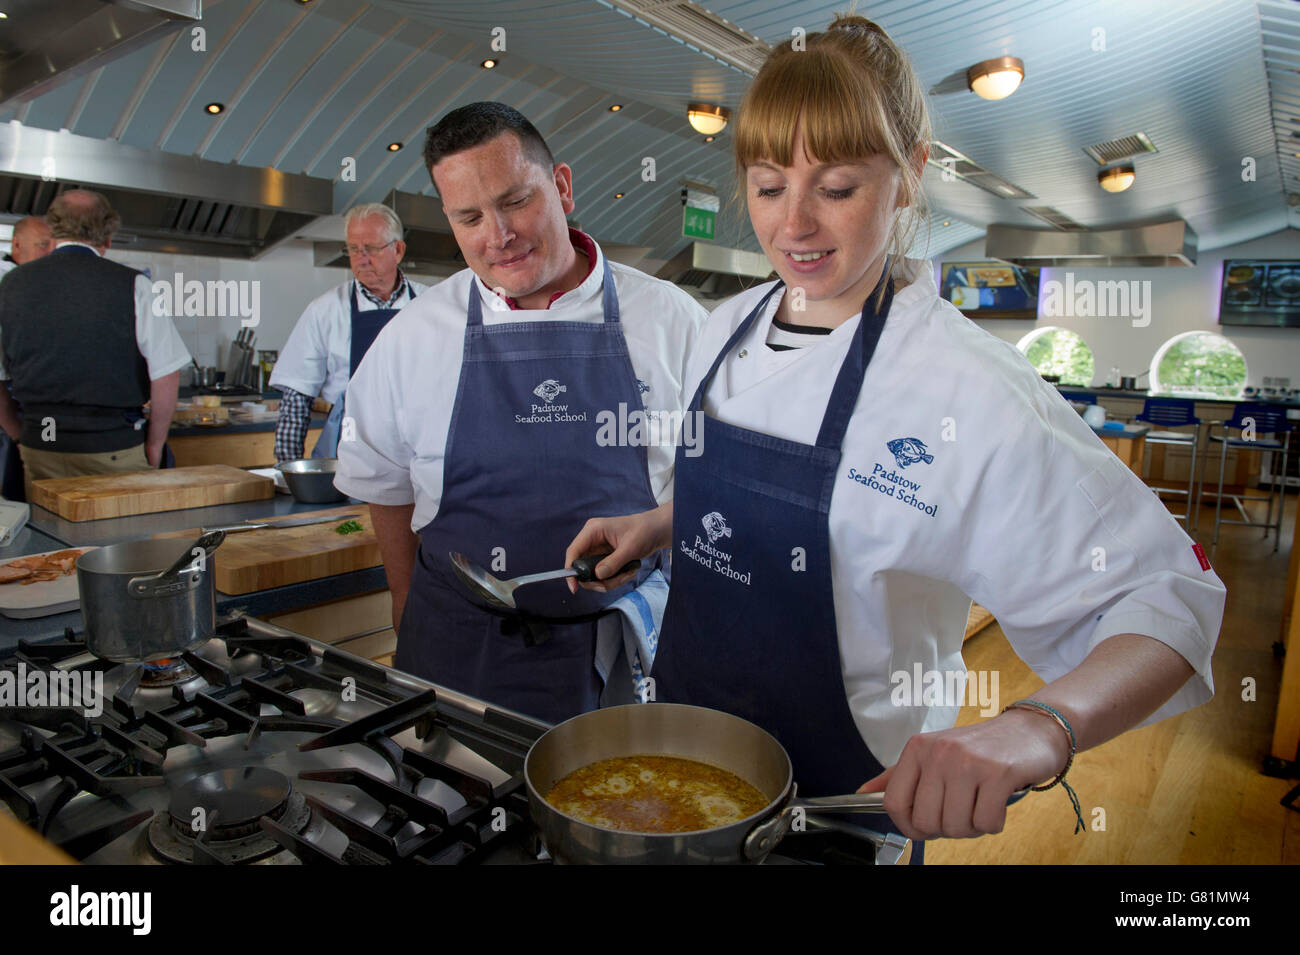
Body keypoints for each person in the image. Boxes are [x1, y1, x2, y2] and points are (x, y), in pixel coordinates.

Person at [565, 15, 1224, 857]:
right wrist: (662, 522)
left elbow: (1169, 598)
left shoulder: (968, 387)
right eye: (768, 188)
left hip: (840, 812)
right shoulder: (723, 326)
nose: (795, 226)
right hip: (677, 777)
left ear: (910, 176)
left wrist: (1039, 723)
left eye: (836, 188)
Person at [335, 102, 708, 724]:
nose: (497, 235)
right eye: (469, 217)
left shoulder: (672, 323)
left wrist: (665, 526)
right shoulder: (414, 335)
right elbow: (385, 487)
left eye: (516, 201)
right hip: (454, 644)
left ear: (561, 187)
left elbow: (721, 488)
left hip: (614, 648)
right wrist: (406, 614)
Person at [0, 191, 190, 488]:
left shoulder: (10, 285)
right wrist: (154, 446)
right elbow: (166, 373)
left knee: (48, 532)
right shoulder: (135, 285)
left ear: (53, 228)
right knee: (119, 533)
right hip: (111, 443)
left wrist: (20, 436)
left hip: (43, 439)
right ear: (108, 236)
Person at [269, 203, 427, 461]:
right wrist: (288, 468)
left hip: (418, 447)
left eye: (371, 249)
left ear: (397, 250)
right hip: (349, 449)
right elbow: (296, 397)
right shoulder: (325, 310)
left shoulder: (430, 305)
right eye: (353, 249)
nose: (361, 259)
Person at [0, 216, 53, 499]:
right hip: (12, 417)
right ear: (17, 244)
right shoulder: (7, 281)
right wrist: (18, 435)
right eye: (42, 245)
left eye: (52, 247)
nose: (48, 254)